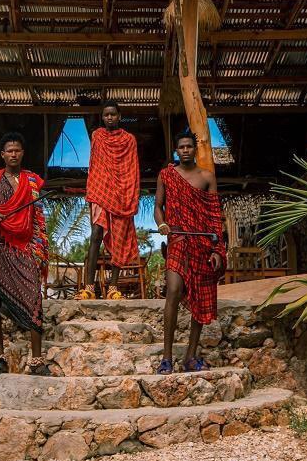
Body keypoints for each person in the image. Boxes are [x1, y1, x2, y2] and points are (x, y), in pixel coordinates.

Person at [0, 132, 52, 376]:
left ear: (22, 153)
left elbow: (37, 215)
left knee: (33, 297)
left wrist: (39, 246)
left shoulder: (32, 181)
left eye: (17, 150)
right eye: (9, 151)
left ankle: (36, 361)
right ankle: (0, 358)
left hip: (26, 245)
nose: (13, 154)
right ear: (2, 155)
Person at [154, 129, 226, 374]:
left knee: (200, 299)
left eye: (189, 146)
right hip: (177, 241)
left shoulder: (207, 176)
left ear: (195, 149)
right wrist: (162, 224)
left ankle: (190, 356)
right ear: (176, 150)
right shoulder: (166, 175)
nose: (185, 150)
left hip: (203, 245)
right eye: (181, 147)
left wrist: (217, 250)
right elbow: (157, 206)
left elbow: (215, 217)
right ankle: (166, 357)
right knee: (173, 290)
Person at [82, 103, 141, 297]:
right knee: (96, 235)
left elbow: (132, 169)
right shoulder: (97, 136)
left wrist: (130, 196)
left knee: (119, 240)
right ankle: (89, 288)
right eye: (106, 115)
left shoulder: (129, 140)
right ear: (102, 117)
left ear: (119, 116)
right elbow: (95, 166)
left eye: (113, 114)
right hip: (100, 191)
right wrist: (94, 190)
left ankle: (113, 288)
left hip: (122, 194)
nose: (109, 118)